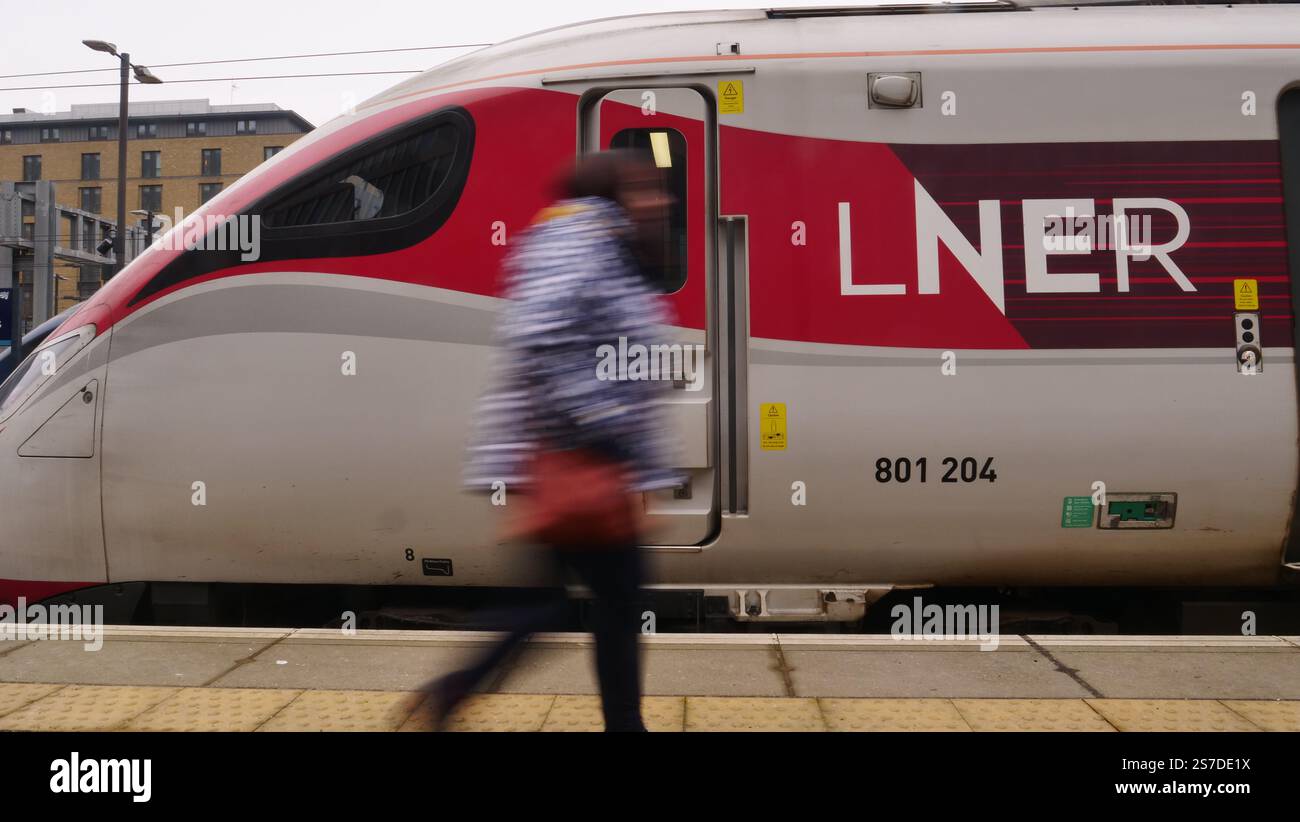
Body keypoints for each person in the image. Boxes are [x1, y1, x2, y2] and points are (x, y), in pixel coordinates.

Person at [430, 150, 682, 732]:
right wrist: (602, 436)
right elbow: (541, 335)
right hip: (582, 462)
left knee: (557, 604)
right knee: (614, 604)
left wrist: (639, 465)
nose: (660, 199)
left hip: (578, 462)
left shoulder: (596, 240)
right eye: (644, 187)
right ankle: (622, 724)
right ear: (612, 192)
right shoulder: (581, 240)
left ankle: (454, 690)